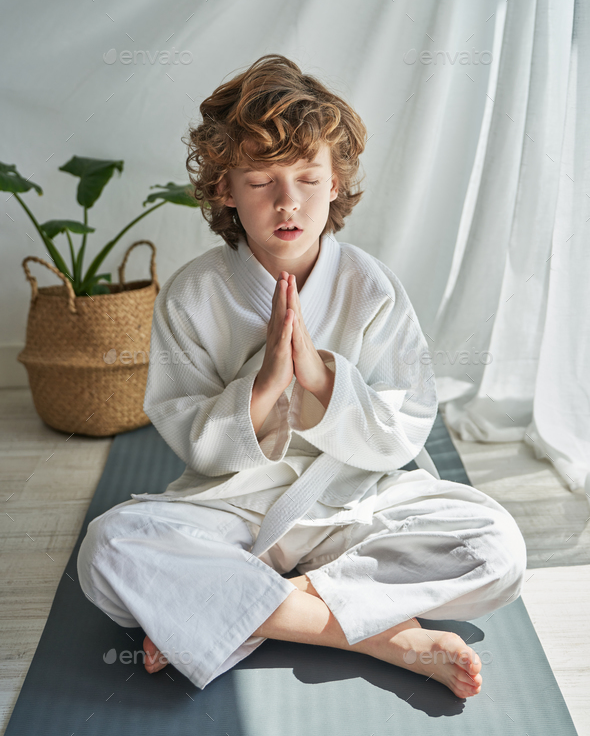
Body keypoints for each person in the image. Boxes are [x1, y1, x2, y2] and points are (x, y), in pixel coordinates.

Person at [77, 53, 527, 700]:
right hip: (236, 503)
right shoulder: (192, 293)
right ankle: (384, 635)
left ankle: (235, 609)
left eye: (307, 176)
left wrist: (321, 379)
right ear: (225, 188)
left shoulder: (371, 287)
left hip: (353, 496)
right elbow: (191, 437)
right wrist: (261, 389)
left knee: (496, 548)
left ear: (337, 181)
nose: (287, 202)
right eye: (261, 180)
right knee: (107, 550)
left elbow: (405, 424)